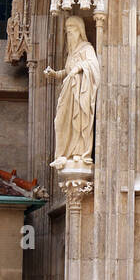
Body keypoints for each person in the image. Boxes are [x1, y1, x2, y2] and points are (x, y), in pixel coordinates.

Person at [45, 16, 100, 169]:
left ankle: (80, 153)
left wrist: (79, 68)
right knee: (60, 120)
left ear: (79, 31)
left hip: (81, 93)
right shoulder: (71, 53)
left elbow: (93, 65)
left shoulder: (87, 48)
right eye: (67, 32)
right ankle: (64, 153)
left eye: (72, 31)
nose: (69, 34)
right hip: (68, 93)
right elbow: (67, 71)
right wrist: (55, 74)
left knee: (79, 120)